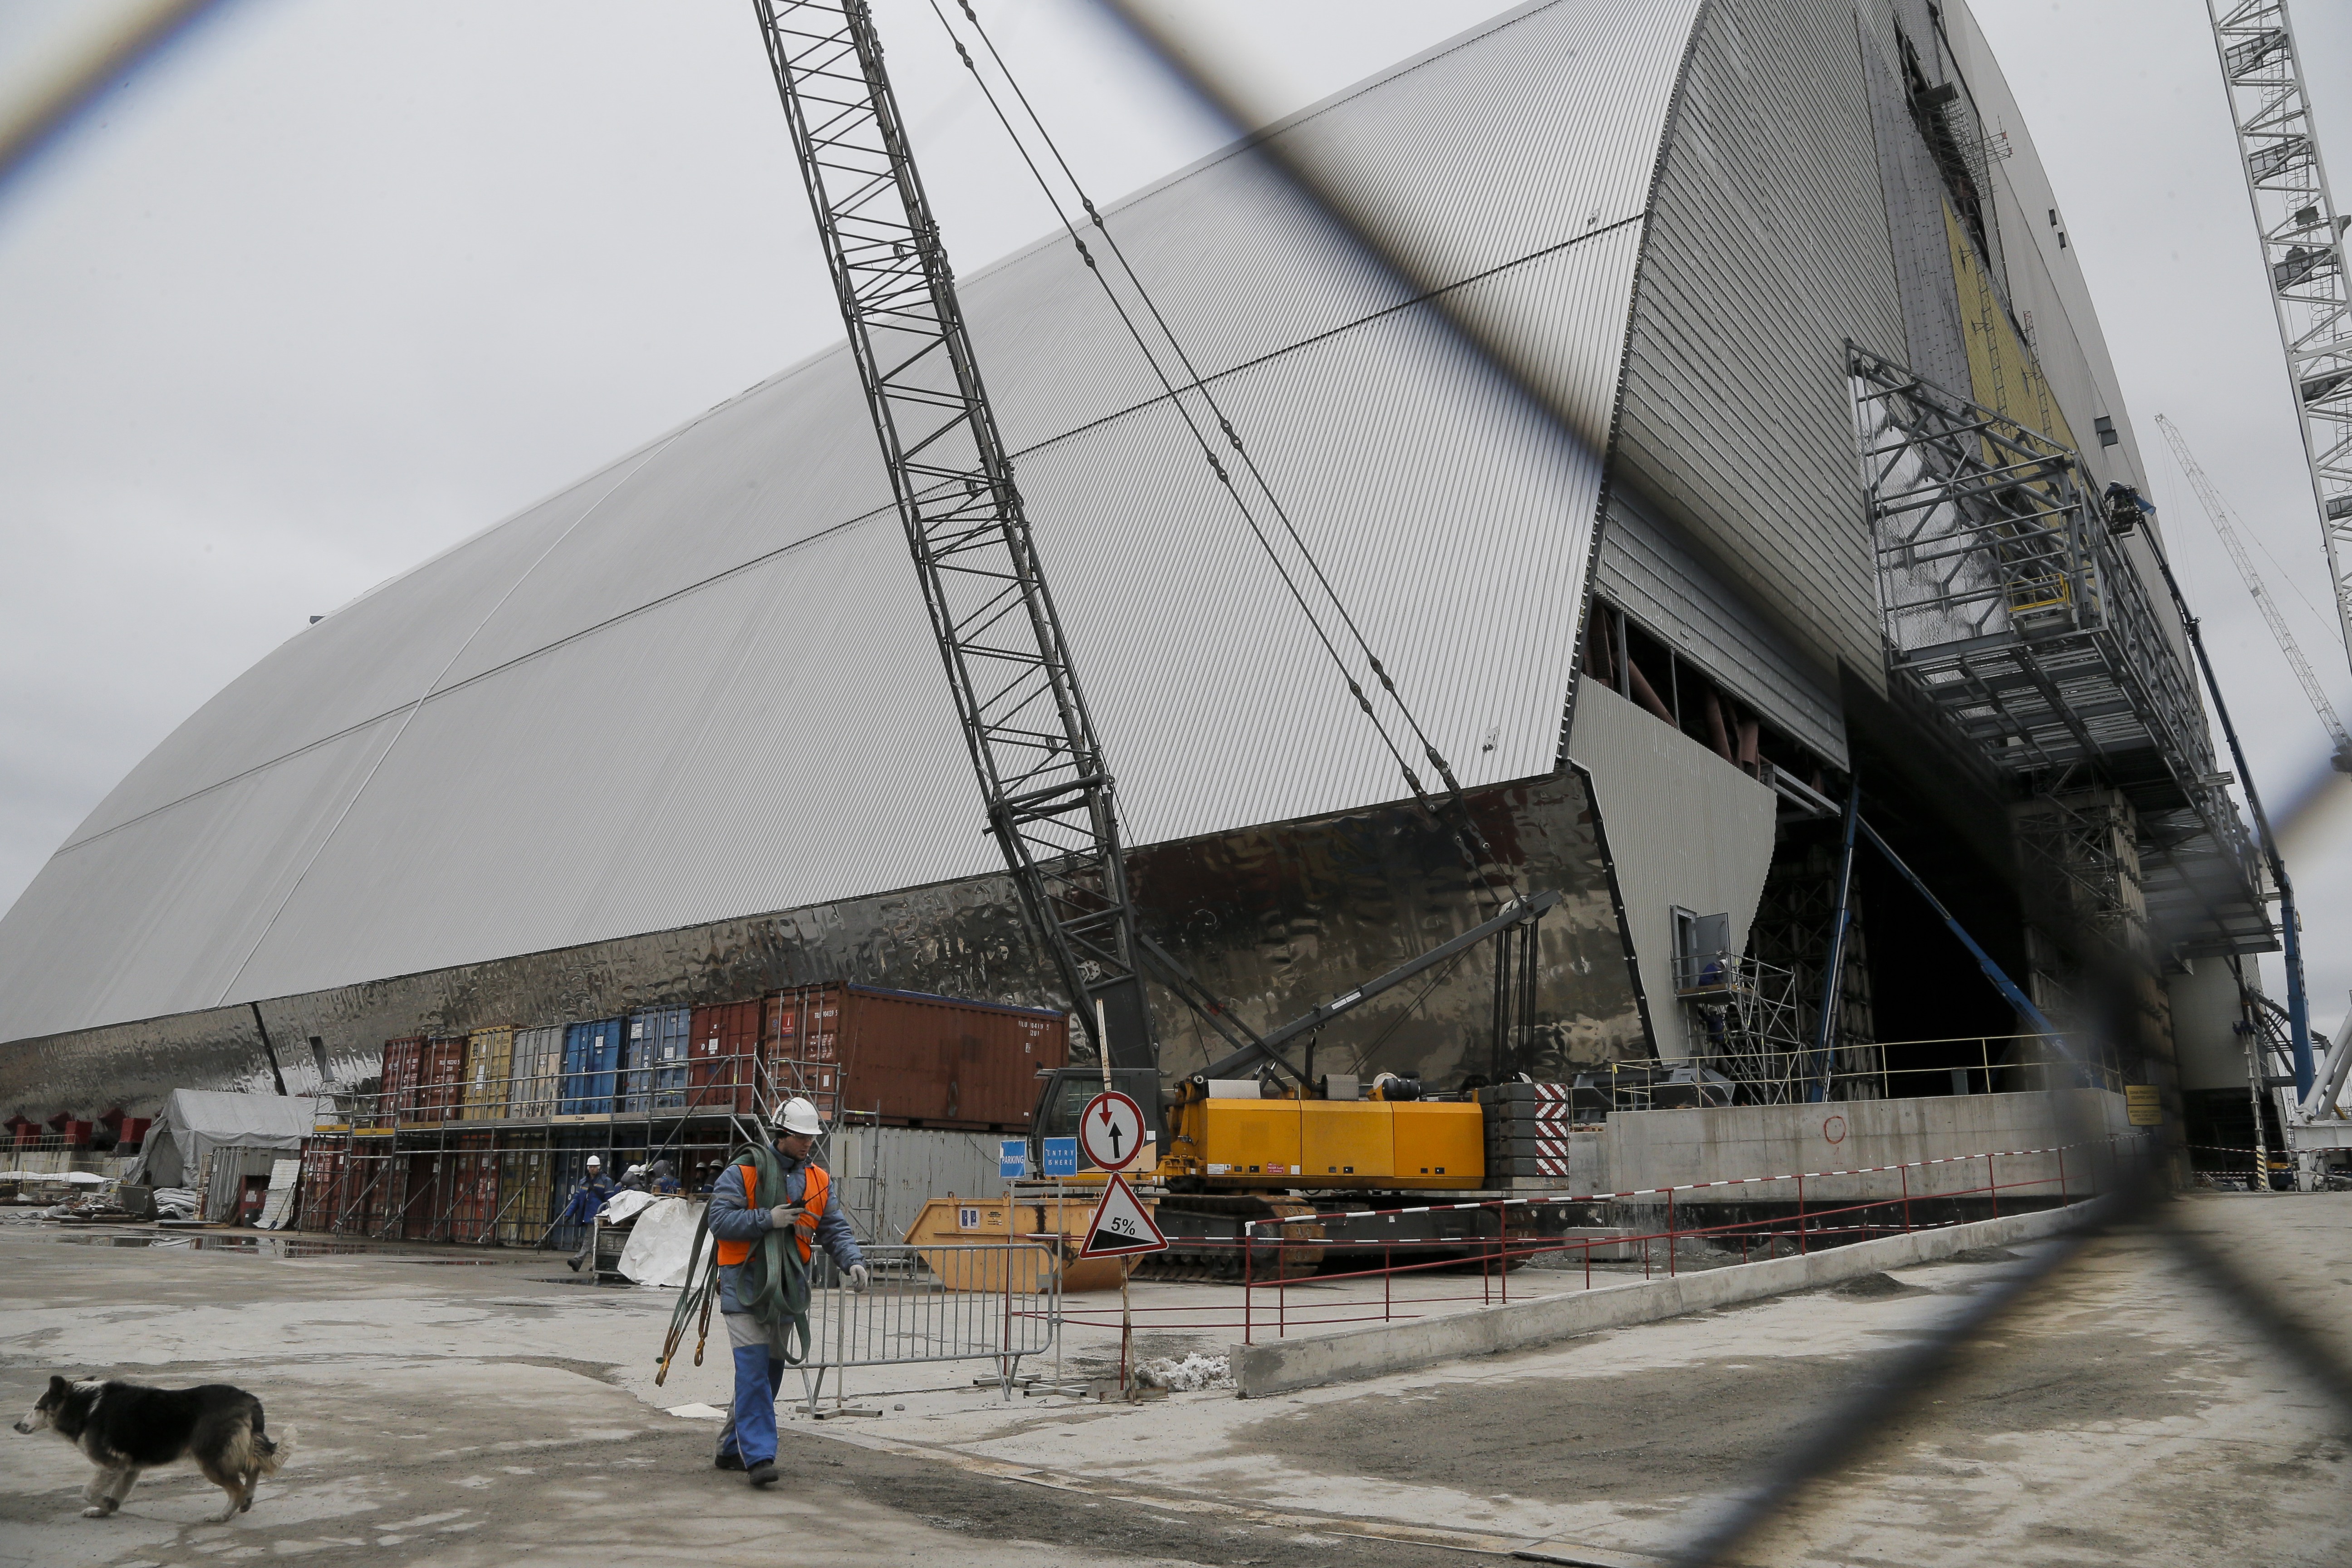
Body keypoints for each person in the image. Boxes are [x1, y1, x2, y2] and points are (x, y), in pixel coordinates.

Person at [706, 1097, 867, 1486]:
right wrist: (768, 1219)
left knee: (769, 1374)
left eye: (811, 1137)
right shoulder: (743, 1171)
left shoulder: (818, 1180)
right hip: (744, 1287)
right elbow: (719, 1219)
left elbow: (833, 1228)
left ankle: (731, 1446)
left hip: (787, 1288)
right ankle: (760, 1458)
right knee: (753, 1369)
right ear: (782, 1133)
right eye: (800, 1136)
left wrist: (853, 1260)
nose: (807, 1143)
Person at [558, 1155, 615, 1273]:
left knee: (589, 1239)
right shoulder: (583, 1182)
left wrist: (608, 1216)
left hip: (598, 1216)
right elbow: (577, 1199)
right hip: (586, 1215)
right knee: (595, 1241)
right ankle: (598, 1265)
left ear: (599, 1167)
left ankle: (578, 1260)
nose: (592, 1169)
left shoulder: (606, 1182)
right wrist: (569, 1214)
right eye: (590, 1167)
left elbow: (610, 1201)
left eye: (594, 1167)